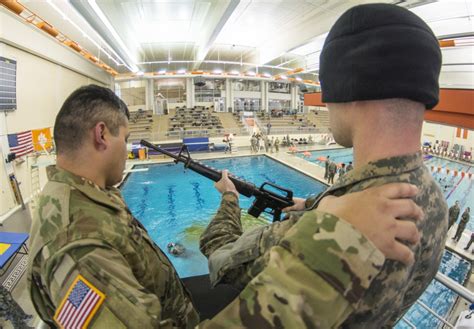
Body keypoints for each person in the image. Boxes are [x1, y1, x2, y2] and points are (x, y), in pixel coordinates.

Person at [199, 4, 446, 327]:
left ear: (348, 86)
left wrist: (229, 198)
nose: (325, 105)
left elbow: (221, 258)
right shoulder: (434, 204)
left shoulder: (331, 233)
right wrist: (315, 206)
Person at [27, 85, 199, 328]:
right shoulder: (76, 244)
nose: (127, 149)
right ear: (102, 134)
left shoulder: (88, 195)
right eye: (126, 139)